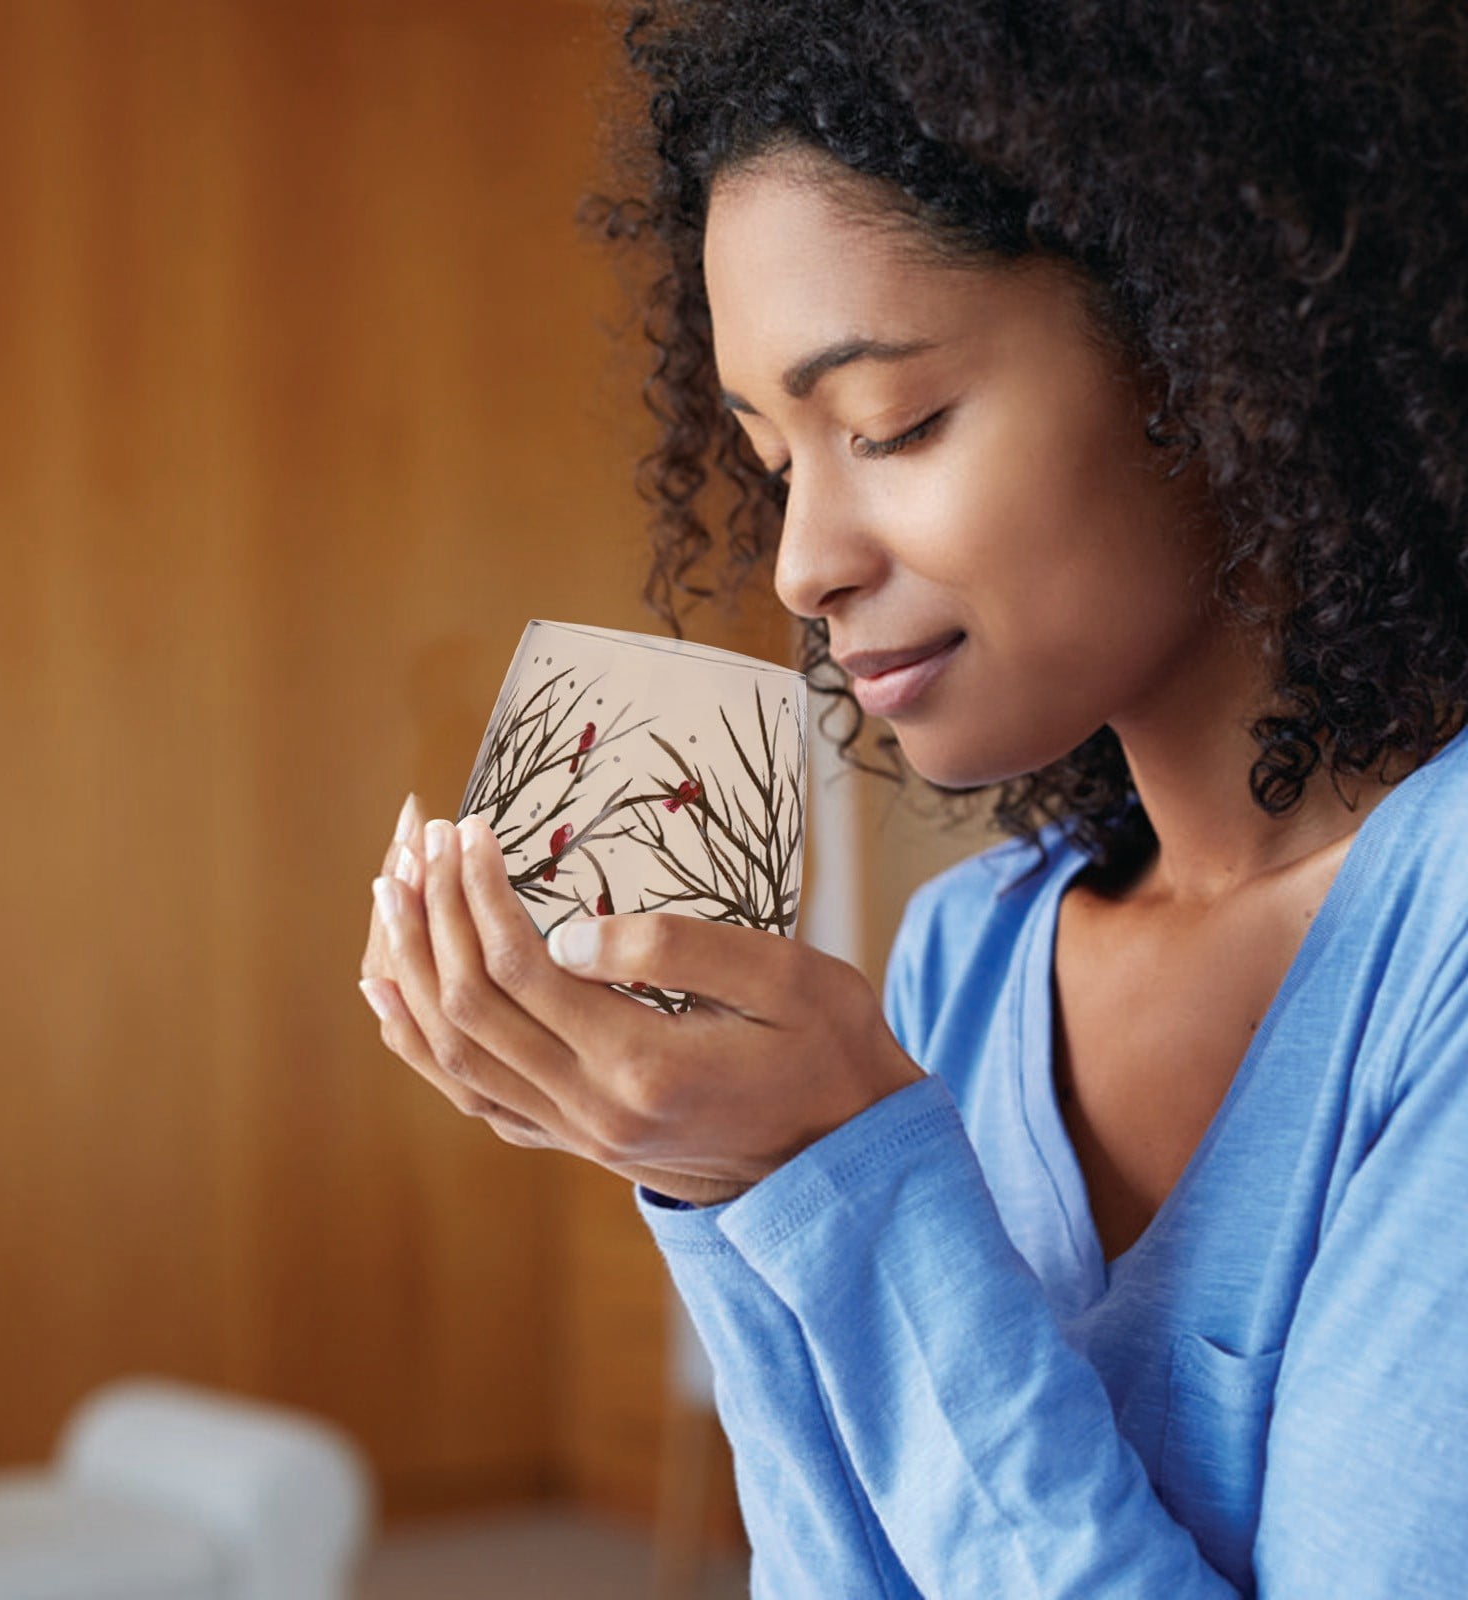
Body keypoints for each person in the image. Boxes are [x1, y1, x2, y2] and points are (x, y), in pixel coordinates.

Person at [358, 1, 1468, 1591]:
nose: (801, 565)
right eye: (773, 463)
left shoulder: (1440, 947)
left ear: (1221, 340)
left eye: (894, 425)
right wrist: (727, 1174)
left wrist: (850, 1176)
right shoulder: (968, 954)